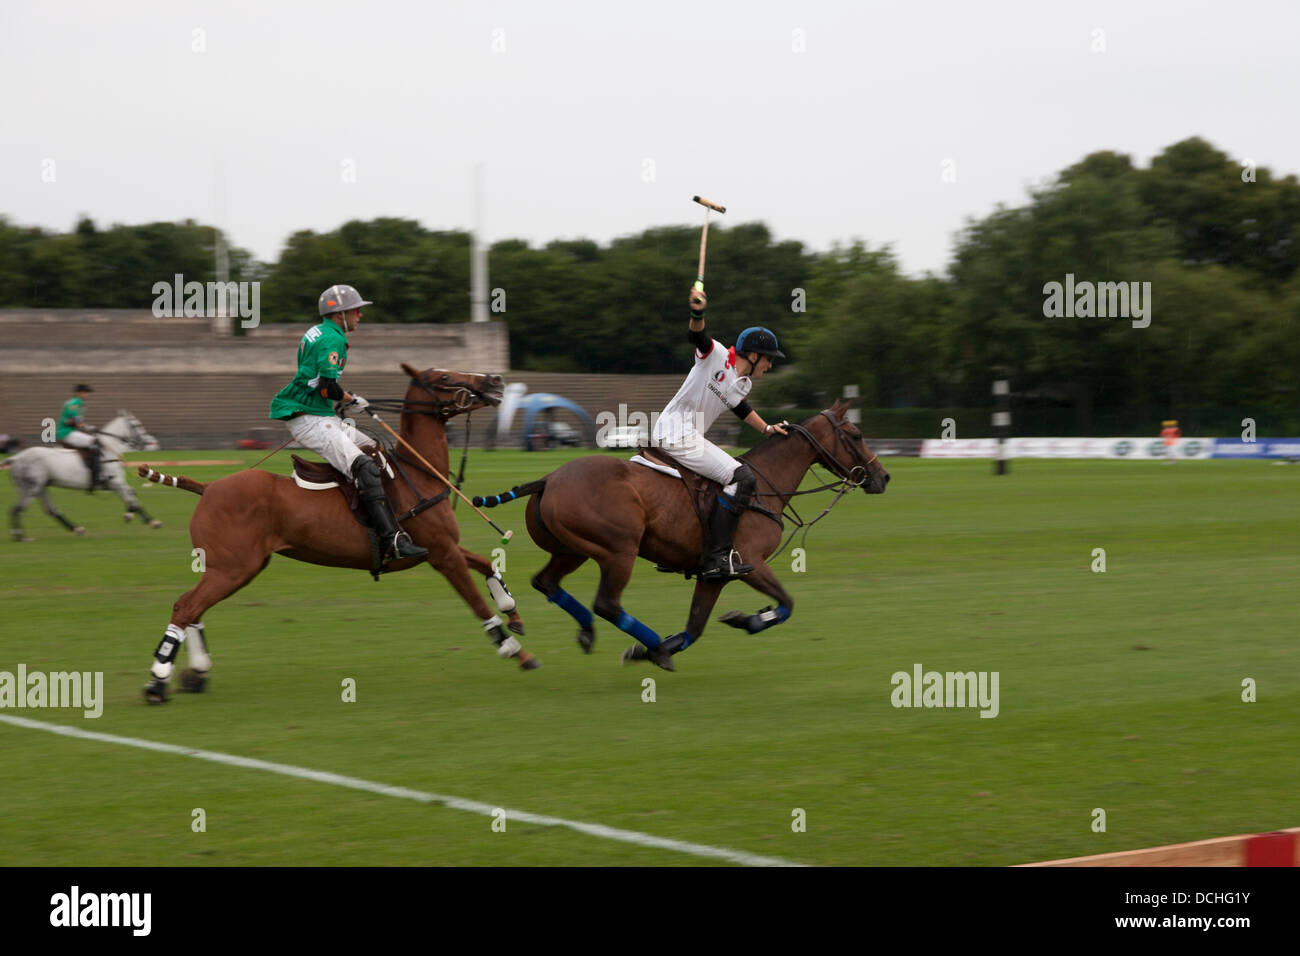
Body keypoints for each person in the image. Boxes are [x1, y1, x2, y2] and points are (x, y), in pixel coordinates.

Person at [269, 285, 428, 565]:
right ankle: (391, 538)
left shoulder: (319, 332)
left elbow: (320, 383)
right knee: (364, 466)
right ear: (340, 314)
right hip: (309, 417)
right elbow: (328, 388)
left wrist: (347, 399)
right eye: (356, 310)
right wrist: (351, 398)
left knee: (374, 452)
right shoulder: (333, 340)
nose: (361, 314)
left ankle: (375, 517)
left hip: (318, 413)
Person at [650, 285, 787, 580]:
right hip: (675, 431)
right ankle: (716, 558)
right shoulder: (716, 356)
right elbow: (696, 336)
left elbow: (740, 408)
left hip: (688, 438)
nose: (770, 364)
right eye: (768, 358)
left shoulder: (744, 384)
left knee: (710, 489)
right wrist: (697, 311)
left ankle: (680, 550)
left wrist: (766, 429)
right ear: (752, 355)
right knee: (742, 477)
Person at [57, 384, 102, 491]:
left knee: (91, 443)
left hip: (69, 432)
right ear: (78, 393)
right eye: (85, 392)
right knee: (94, 442)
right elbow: (74, 421)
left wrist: (85, 426)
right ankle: (95, 476)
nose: (87, 395)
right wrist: (88, 427)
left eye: (87, 393)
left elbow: (75, 422)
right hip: (66, 433)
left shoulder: (77, 403)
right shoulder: (75, 403)